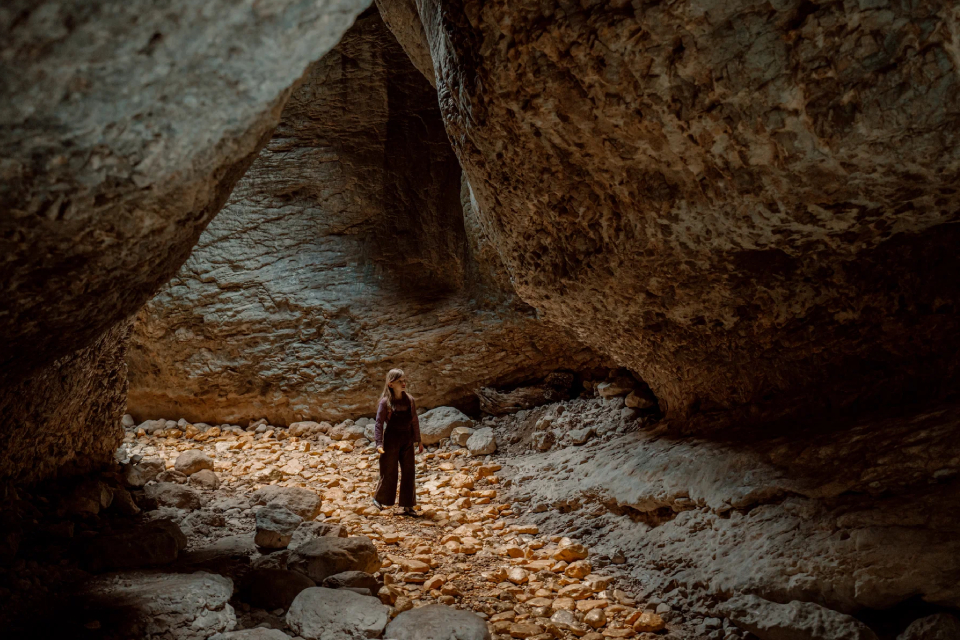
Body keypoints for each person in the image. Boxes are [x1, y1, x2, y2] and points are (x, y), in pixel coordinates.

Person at [372, 368, 424, 516]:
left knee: (409, 471)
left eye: (404, 380)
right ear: (390, 384)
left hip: (407, 439)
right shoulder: (385, 403)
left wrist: (418, 440)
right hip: (391, 440)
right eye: (400, 381)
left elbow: (414, 420)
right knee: (389, 471)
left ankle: (408, 505)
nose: (403, 383)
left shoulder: (410, 400)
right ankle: (379, 499)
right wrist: (379, 444)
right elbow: (379, 424)